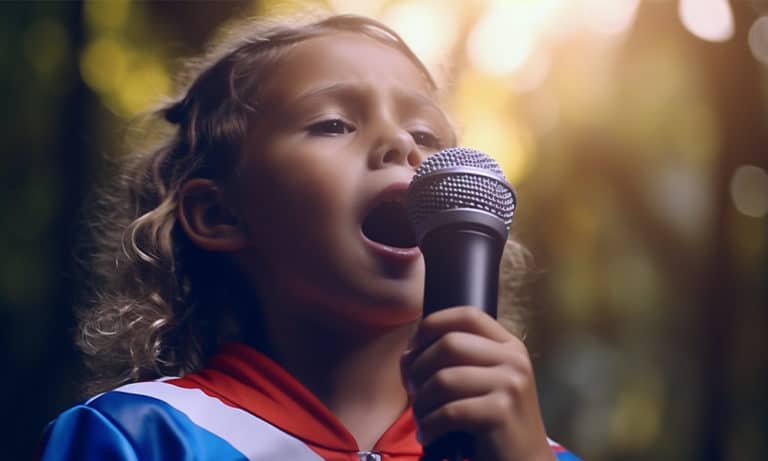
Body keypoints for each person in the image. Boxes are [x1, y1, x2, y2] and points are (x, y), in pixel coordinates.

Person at [37, 14, 580, 461]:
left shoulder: (533, 453)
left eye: (425, 134)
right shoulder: (137, 437)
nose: (400, 144)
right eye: (333, 124)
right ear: (218, 214)